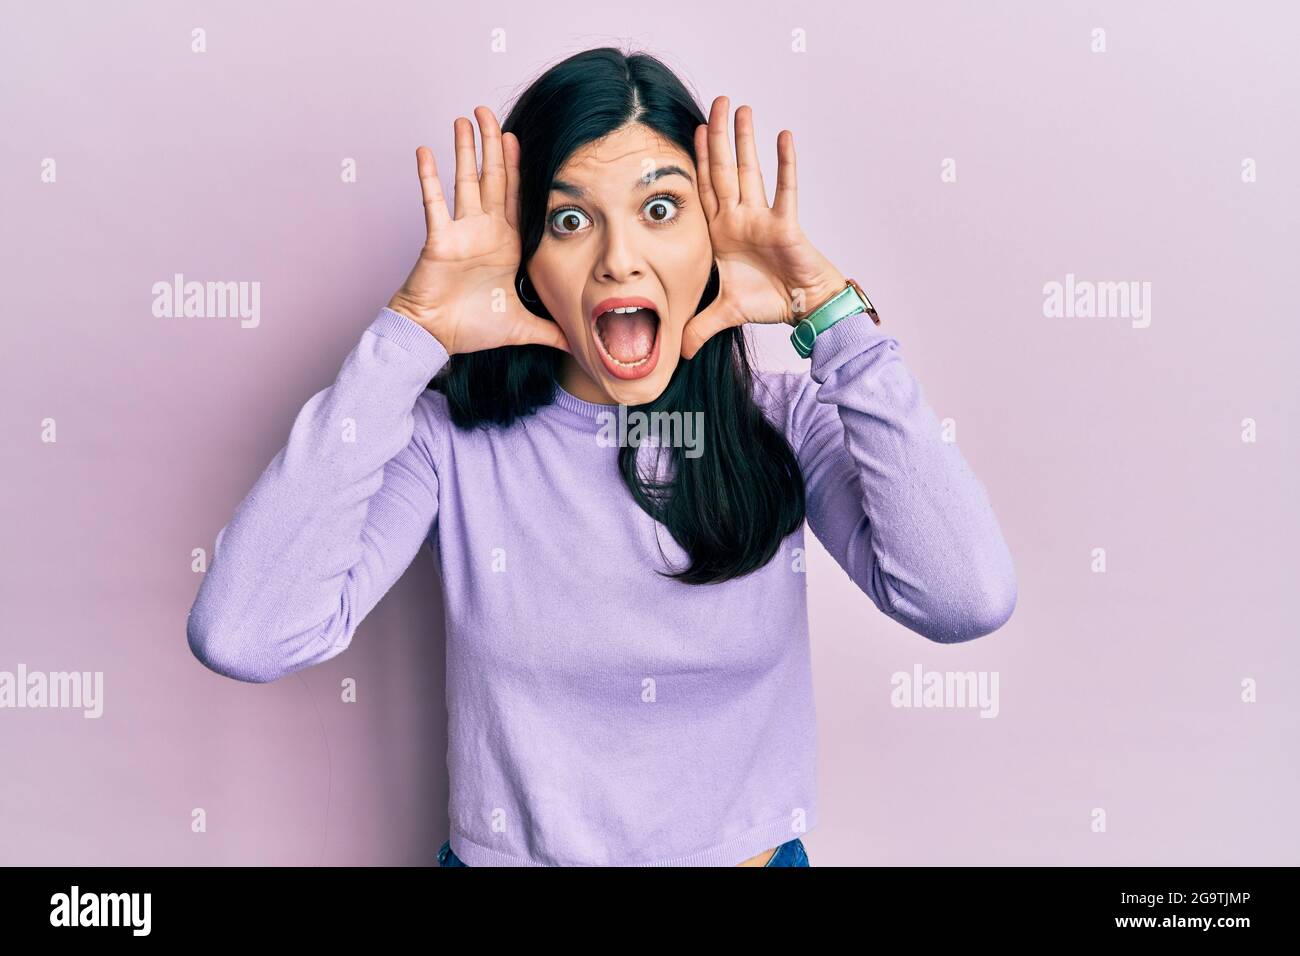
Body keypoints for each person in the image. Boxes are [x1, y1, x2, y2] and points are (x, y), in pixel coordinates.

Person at [186, 46, 1017, 867]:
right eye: (571, 219)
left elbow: (964, 597)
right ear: (526, 261)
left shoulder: (786, 423)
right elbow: (245, 634)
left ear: (712, 241)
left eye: (660, 210)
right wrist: (409, 334)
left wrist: (831, 314)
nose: (619, 257)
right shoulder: (448, 443)